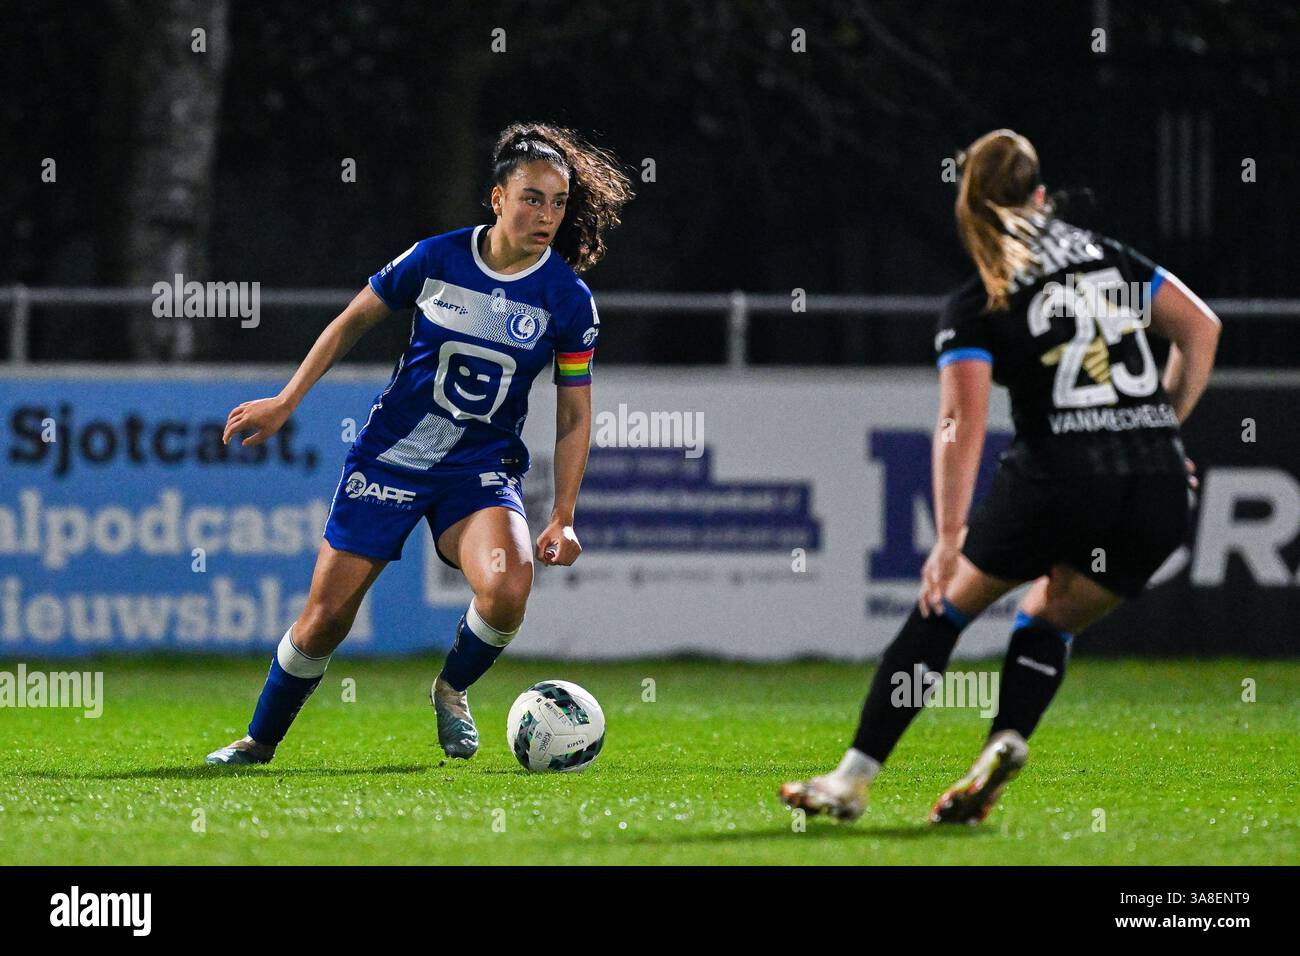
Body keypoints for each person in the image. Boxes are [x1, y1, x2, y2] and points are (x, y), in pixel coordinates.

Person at [781, 129, 1220, 823]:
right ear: (1041, 197)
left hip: (1064, 478)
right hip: (1161, 489)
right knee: (1047, 614)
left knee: (942, 609)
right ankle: (1006, 740)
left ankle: (851, 780)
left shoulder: (982, 293)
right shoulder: (1108, 257)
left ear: (970, 205)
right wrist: (1161, 424)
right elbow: (1200, 328)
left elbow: (961, 424)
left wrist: (950, 533)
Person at [206, 122, 632, 765]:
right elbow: (351, 321)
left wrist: (564, 514)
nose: (547, 215)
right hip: (391, 457)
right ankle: (258, 741)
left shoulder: (567, 301)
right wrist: (287, 400)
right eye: (532, 198)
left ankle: (451, 689)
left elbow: (575, 414)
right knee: (326, 618)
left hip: (478, 470)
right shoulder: (435, 258)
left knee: (510, 586)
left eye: (558, 203)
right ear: (497, 198)